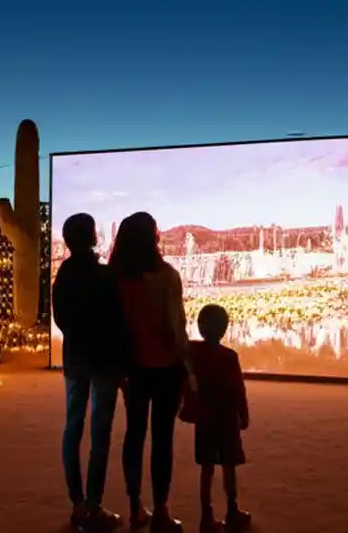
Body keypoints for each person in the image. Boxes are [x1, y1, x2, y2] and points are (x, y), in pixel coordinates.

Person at [111, 212, 192, 532]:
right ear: (153, 239)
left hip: (132, 369)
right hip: (166, 368)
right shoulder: (167, 276)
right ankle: (161, 510)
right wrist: (189, 370)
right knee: (162, 440)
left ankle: (135, 508)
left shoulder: (115, 279)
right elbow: (176, 328)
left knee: (134, 436)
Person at [54, 212, 128, 531]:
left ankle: (78, 503)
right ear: (93, 237)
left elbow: (61, 320)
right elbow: (117, 322)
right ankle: (95, 505)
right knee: (100, 433)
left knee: (73, 427)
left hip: (75, 360)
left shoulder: (64, 275)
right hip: (105, 362)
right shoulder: (105, 276)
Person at [180, 305, 251, 533]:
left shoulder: (193, 352)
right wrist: (244, 415)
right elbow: (238, 390)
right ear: (224, 329)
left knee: (206, 469)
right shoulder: (230, 357)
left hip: (205, 419)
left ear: (200, 327)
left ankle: (206, 516)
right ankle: (232, 510)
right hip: (227, 420)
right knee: (229, 466)